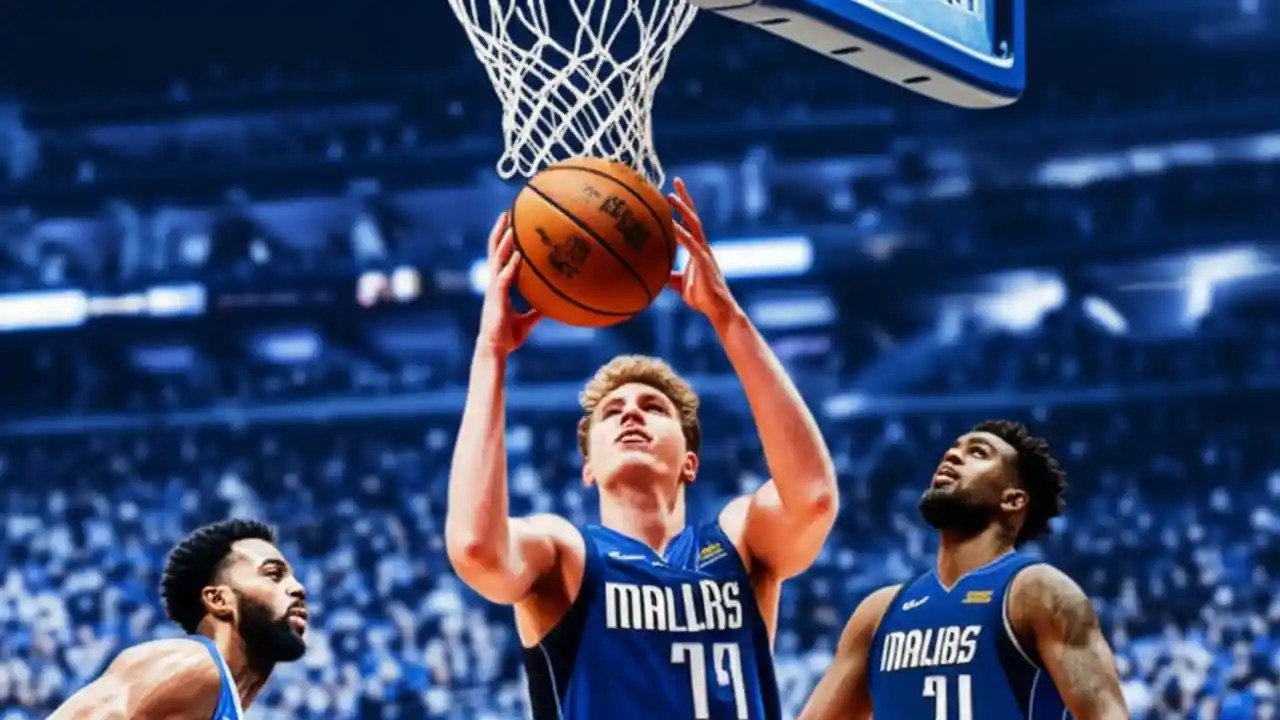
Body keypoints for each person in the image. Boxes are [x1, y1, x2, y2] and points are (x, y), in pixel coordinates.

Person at [447, 179, 839, 720]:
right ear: (588, 467)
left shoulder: (738, 544)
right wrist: (490, 354)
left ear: (690, 460)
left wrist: (728, 317)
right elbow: (474, 548)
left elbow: (814, 497)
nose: (631, 412)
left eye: (654, 408)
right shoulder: (567, 556)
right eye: (612, 412)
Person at [799, 420, 1129, 720]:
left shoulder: (1039, 592)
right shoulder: (877, 614)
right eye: (952, 449)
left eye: (977, 453)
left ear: (1013, 500)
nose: (953, 457)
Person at [49, 519, 308, 720]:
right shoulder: (192, 664)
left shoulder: (218, 694)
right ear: (218, 600)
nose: (298, 588)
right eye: (273, 574)